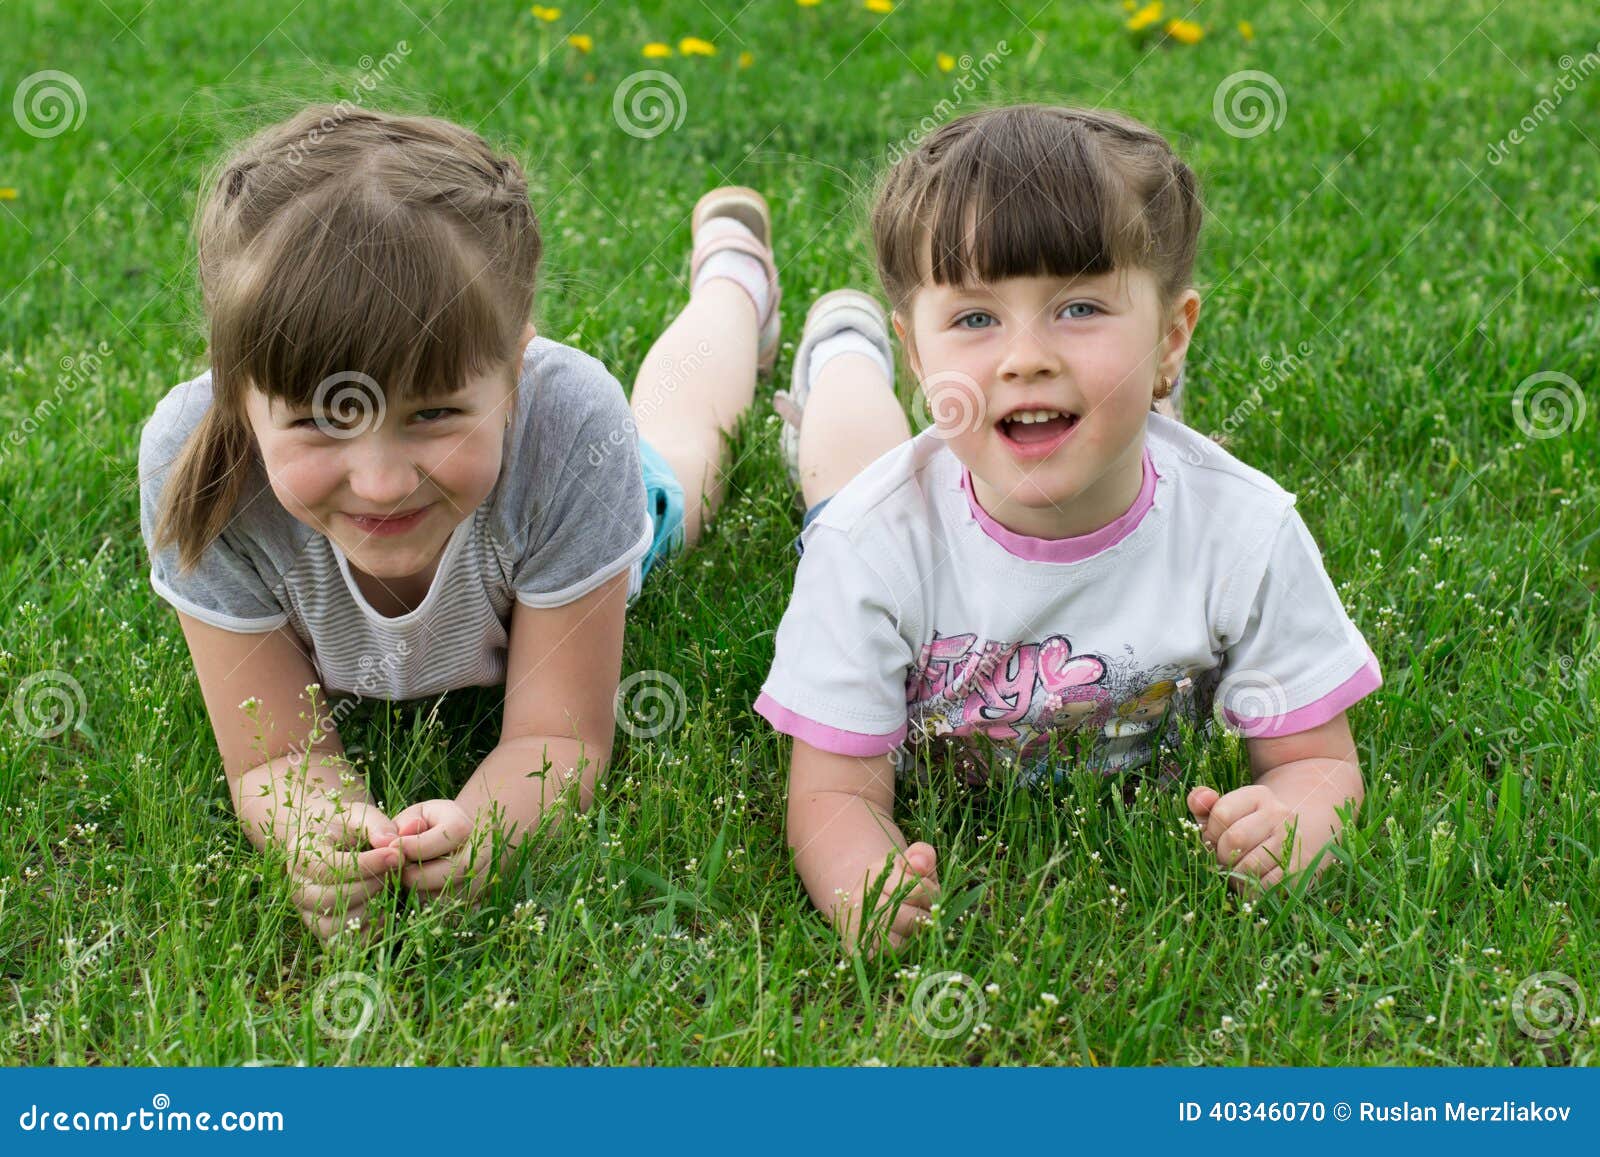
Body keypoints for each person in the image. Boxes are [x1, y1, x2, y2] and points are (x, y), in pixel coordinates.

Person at [137, 105, 782, 941]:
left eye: (435, 413)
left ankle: (734, 282)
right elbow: (275, 755)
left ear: (514, 371)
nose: (382, 482)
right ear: (236, 392)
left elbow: (559, 738)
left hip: (574, 510)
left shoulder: (571, 432)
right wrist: (322, 835)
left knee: (685, 450)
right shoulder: (196, 463)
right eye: (320, 421)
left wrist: (489, 829)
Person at [755, 105, 1382, 955]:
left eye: (1079, 306)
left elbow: (1317, 761)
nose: (1025, 357)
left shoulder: (1245, 531)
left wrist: (1298, 820)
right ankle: (844, 350)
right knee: (842, 466)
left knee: (1126, 438)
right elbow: (834, 796)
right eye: (975, 319)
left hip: (1137, 450)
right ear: (921, 355)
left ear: (1174, 336)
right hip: (878, 501)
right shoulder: (869, 548)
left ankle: (1133, 404)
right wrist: (861, 873)